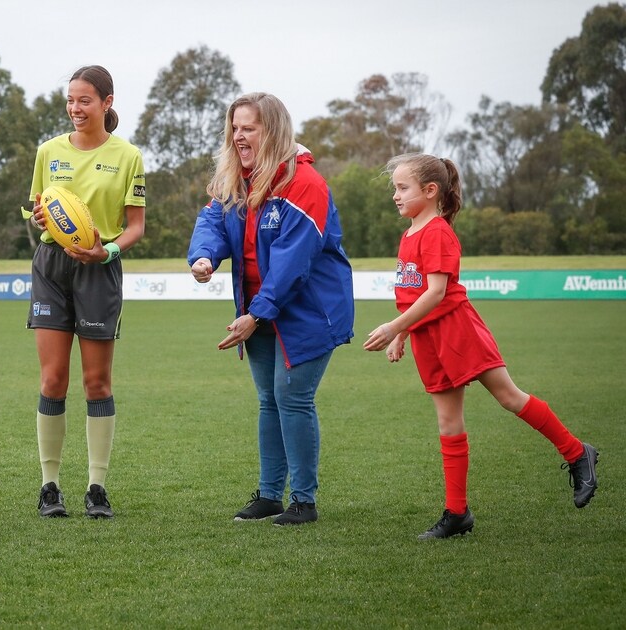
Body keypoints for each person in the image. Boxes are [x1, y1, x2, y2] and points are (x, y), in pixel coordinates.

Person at [363, 153, 600, 539]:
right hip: (426, 337)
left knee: (508, 397)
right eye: (395, 188)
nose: (396, 195)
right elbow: (412, 293)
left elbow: (437, 293)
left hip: (457, 331)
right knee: (448, 421)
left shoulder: (438, 232)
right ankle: (457, 514)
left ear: (430, 190)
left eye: (402, 188)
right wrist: (404, 334)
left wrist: (393, 327)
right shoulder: (408, 234)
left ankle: (577, 453)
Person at [187, 92, 354, 526]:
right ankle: (268, 494)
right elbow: (212, 221)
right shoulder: (235, 177)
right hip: (260, 308)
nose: (239, 137)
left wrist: (256, 314)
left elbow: (293, 264)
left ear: (273, 131)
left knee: (292, 397)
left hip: (308, 308)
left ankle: (304, 500)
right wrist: (204, 256)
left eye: (250, 128)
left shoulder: (305, 184)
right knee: (268, 400)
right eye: (235, 128)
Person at [26, 65, 145, 519]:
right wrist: (38, 220)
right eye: (71, 101)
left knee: (97, 383)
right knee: (53, 379)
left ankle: (96, 487)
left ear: (106, 103)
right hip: (52, 267)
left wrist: (107, 251)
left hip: (100, 269)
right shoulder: (47, 152)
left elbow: (136, 227)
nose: (76, 109)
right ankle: (49, 486)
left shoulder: (128, 155)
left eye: (85, 101)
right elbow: (38, 209)